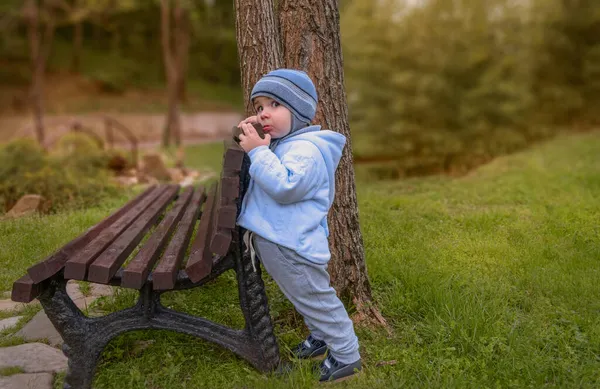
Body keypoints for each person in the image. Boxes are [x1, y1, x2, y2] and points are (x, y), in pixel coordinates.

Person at [236, 68, 361, 382]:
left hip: (294, 247)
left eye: (274, 105)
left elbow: (286, 187)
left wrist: (259, 152)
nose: (264, 113)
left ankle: (347, 355)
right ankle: (321, 338)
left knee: (317, 300)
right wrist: (259, 146)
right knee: (302, 297)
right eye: (259, 107)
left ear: (299, 111)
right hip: (282, 243)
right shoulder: (284, 145)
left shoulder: (307, 151)